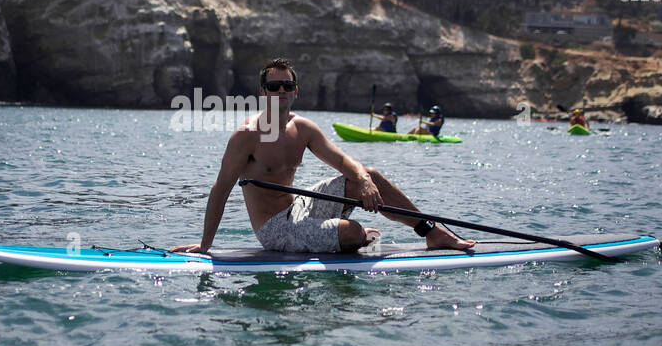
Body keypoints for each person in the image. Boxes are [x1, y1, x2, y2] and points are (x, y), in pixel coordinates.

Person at [170, 58, 475, 255]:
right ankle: (353, 235)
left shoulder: (302, 127)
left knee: (371, 176)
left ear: (295, 91)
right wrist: (205, 246)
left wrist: (363, 180)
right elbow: (220, 189)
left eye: (286, 86)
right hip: (275, 228)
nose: (280, 91)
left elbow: (342, 161)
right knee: (353, 233)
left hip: (301, 206)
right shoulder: (247, 135)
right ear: (263, 92)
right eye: (273, 86)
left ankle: (431, 232)